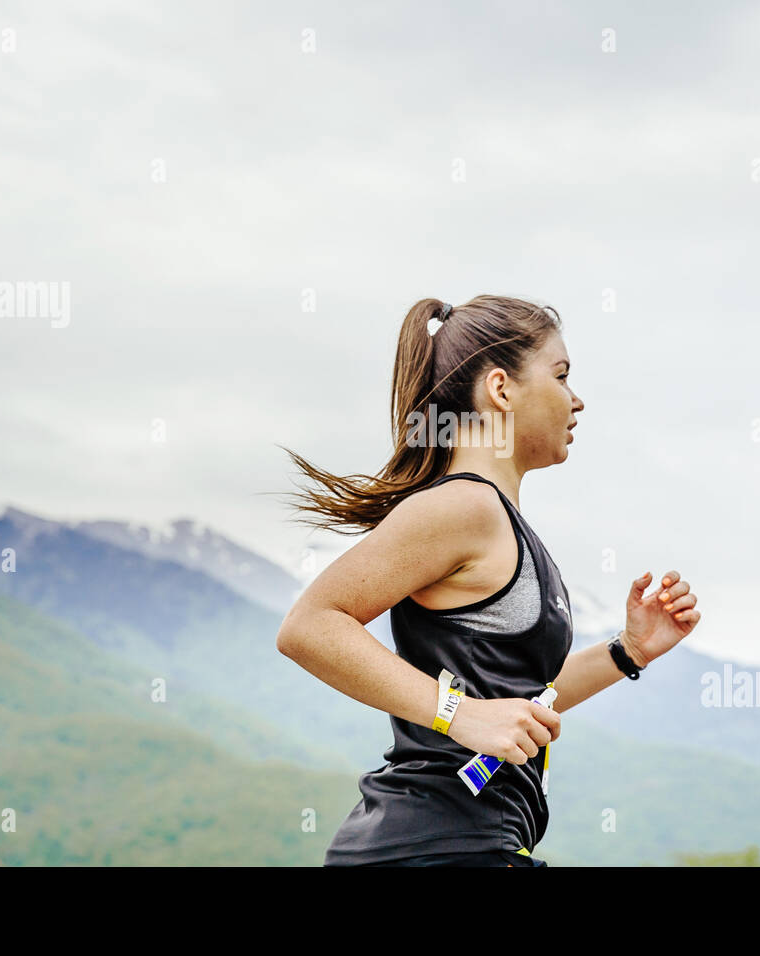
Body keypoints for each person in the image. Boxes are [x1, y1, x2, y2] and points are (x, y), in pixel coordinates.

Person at [275, 295, 701, 866]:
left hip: (471, 844)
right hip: (434, 846)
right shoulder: (463, 507)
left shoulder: (500, 521)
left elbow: (514, 707)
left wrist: (628, 651)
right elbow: (308, 626)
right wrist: (459, 713)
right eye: (561, 375)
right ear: (501, 390)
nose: (577, 400)